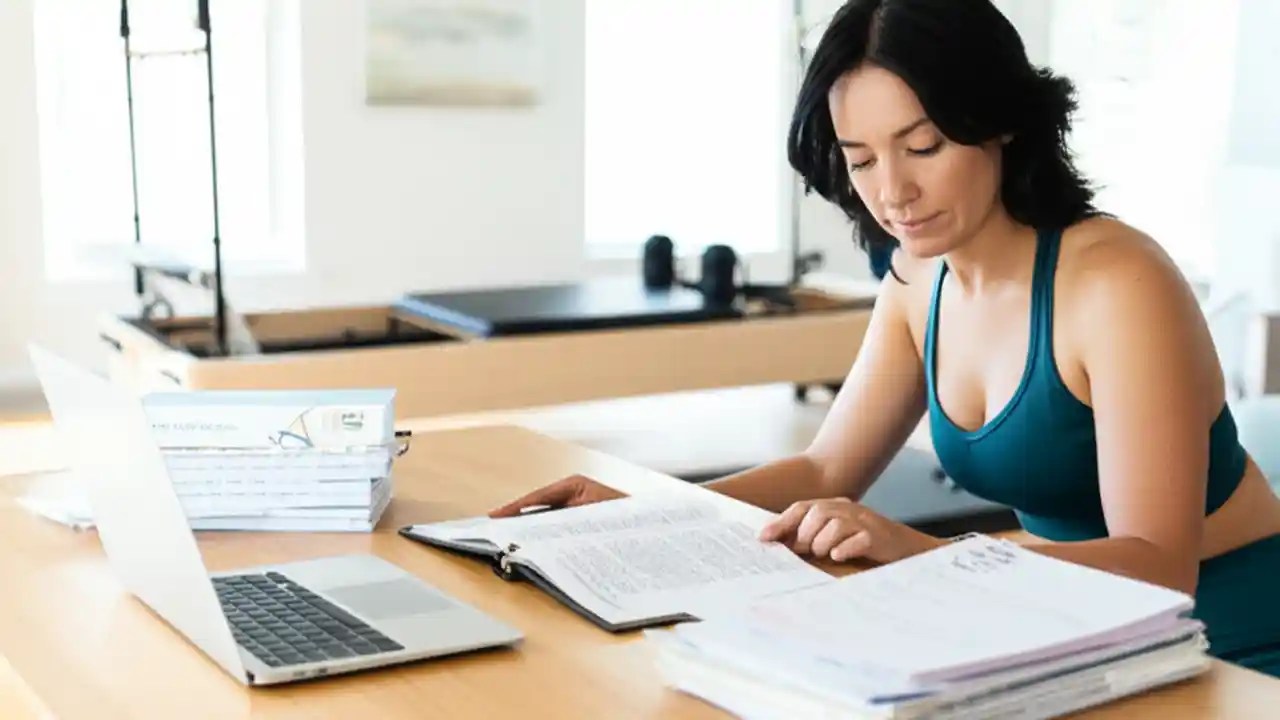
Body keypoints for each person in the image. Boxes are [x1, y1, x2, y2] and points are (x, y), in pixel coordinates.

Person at [490, 0, 1280, 676]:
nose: (892, 192)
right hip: (1069, 628)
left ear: (999, 124)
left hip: (1229, 637)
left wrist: (921, 550)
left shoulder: (1116, 283)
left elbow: (1160, 566)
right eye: (861, 159)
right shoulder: (918, 278)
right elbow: (827, 466)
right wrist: (643, 510)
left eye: (925, 147)